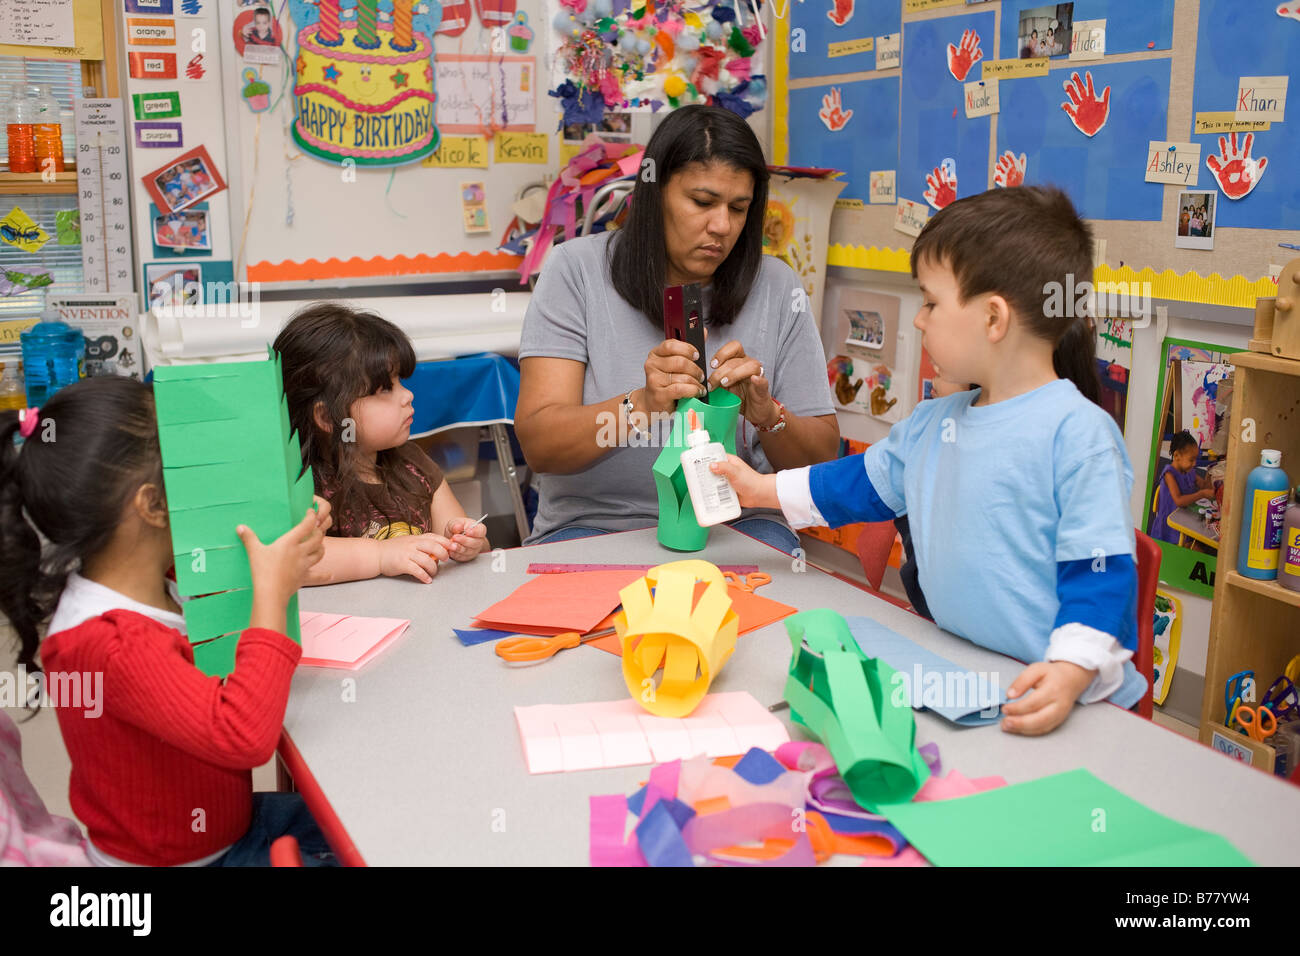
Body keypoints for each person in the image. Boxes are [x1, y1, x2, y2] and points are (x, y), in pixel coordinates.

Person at [712, 186, 1144, 735]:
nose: (919, 320)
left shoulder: (1079, 436)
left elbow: (1100, 571)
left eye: (932, 303)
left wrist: (1071, 668)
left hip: (1063, 697)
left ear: (993, 318)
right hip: (968, 672)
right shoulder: (932, 422)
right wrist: (759, 490)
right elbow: (857, 485)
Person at [0, 377, 338, 866]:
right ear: (153, 506)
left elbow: (221, 580)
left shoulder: (145, 577)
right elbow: (244, 737)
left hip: (224, 825)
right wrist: (272, 590)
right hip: (184, 859)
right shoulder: (114, 643)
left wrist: (288, 533)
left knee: (361, 818)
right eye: (189, 470)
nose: (207, 483)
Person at [514, 105, 839, 554]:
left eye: (739, 208)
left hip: (738, 526)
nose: (722, 226)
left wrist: (768, 417)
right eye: (702, 203)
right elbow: (540, 446)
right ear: (655, 194)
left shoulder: (779, 286)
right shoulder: (576, 270)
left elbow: (822, 463)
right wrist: (643, 405)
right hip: (596, 525)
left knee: (759, 622)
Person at [274, 303, 489, 584]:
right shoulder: (300, 484)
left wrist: (466, 545)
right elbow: (288, 560)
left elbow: (473, 545)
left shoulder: (414, 465)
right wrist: (380, 555)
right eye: (385, 389)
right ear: (327, 416)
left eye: (400, 381)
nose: (408, 395)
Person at [1149, 430, 1212, 545]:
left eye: (1195, 459)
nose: (1194, 464)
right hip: (1169, 529)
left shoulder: (1189, 471)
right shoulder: (1169, 474)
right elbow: (1179, 500)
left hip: (1185, 520)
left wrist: (1212, 474)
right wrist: (1201, 494)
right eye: (1191, 460)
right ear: (1177, 456)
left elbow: (1203, 485)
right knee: (1200, 545)